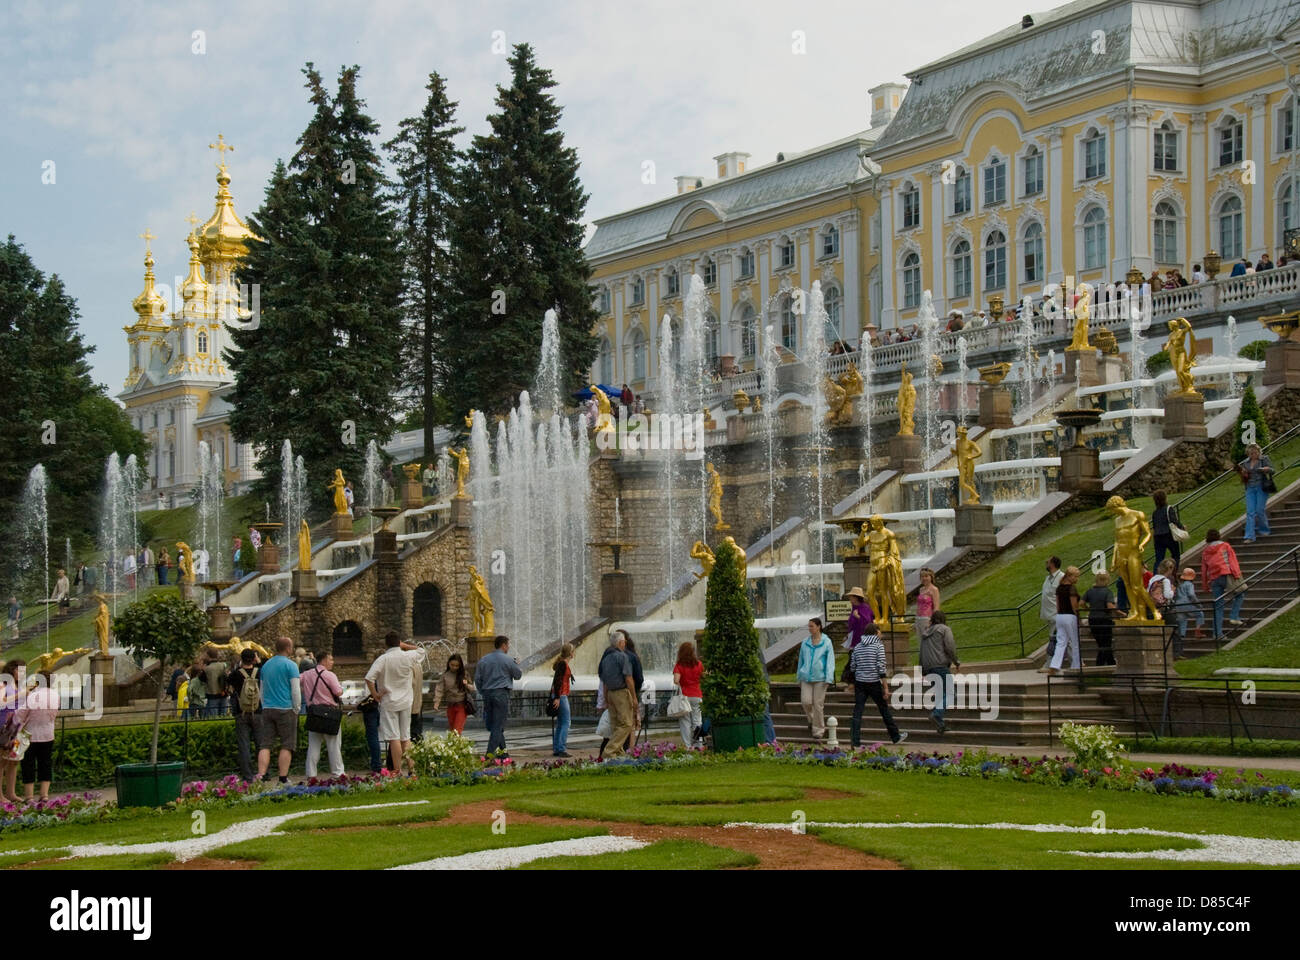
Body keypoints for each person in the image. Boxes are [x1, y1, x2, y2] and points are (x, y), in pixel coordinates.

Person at [364, 632, 425, 775]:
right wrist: (406, 646)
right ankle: (413, 770)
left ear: (386, 644)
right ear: (399, 642)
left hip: (389, 701)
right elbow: (421, 651)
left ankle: (397, 771)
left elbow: (369, 678)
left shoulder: (383, 659)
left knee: (394, 738)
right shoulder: (407, 656)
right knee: (406, 737)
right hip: (406, 700)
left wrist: (375, 695)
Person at [848, 626, 906, 746]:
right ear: (875, 632)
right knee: (884, 709)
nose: (881, 634)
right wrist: (885, 687)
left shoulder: (858, 647)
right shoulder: (878, 646)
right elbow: (881, 667)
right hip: (874, 682)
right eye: (880, 631)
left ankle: (855, 740)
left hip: (860, 682)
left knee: (858, 711)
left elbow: (853, 666)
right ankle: (895, 736)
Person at [256, 636, 301, 784]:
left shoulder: (266, 666)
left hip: (268, 708)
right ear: (288, 648)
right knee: (287, 744)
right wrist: (297, 708)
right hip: (285, 708)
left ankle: (261, 775)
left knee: (265, 744)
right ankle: (282, 777)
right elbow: (295, 690)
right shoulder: (291, 665)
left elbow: (261, 690)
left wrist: (264, 705)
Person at [473, 635, 521, 757]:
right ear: (504, 645)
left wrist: (483, 692)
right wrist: (517, 664)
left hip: (487, 693)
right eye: (508, 645)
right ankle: (489, 754)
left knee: (493, 724)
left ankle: (503, 753)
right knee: (497, 725)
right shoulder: (508, 660)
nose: (509, 647)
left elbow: (477, 679)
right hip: (501, 693)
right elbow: (518, 675)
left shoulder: (483, 660)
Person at [16, 668, 59, 801]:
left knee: (28, 765)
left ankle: (29, 797)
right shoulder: (55, 695)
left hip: (30, 735)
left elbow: (20, 714)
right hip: (48, 734)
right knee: (45, 763)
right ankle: (44, 795)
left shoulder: (33, 695)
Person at [302, 652, 345, 778]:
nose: (332, 662)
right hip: (329, 713)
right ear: (324, 660)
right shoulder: (330, 675)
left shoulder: (307, 674)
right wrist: (342, 690)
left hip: (314, 713)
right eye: (331, 659)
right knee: (334, 745)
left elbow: (297, 681)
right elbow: (338, 692)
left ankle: (311, 774)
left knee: (313, 746)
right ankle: (338, 773)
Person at [598, 630, 637, 758]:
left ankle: (619, 753)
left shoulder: (606, 658)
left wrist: (606, 697)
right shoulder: (622, 656)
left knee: (616, 725)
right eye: (624, 641)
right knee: (626, 723)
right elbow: (628, 678)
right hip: (621, 693)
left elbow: (603, 680)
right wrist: (634, 697)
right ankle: (609, 751)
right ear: (621, 642)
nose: (625, 644)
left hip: (610, 693)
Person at [919, 610, 959, 734]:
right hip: (941, 666)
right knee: (951, 694)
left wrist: (923, 670)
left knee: (940, 695)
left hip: (929, 668)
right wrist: (956, 661)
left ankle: (940, 725)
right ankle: (937, 714)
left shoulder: (925, 633)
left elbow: (921, 652)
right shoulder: (944, 629)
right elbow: (950, 647)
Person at [226, 649, 264, 780]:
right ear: (254, 658)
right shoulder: (259, 672)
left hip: (241, 712)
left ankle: (248, 774)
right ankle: (263, 773)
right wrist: (258, 662)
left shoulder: (236, 674)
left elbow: (227, 681)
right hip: (257, 711)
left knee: (244, 744)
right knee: (261, 743)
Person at [1202, 529, 1246, 641]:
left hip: (1214, 578)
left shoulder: (1206, 551)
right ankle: (1234, 616)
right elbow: (1233, 561)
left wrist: (1205, 584)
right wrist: (1236, 574)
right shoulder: (1225, 546)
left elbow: (1204, 569)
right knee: (1240, 593)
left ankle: (1217, 633)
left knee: (1218, 606)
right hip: (1226, 574)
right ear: (1218, 536)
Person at [796, 618, 835, 740]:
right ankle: (813, 721)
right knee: (806, 702)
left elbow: (830, 662)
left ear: (818, 627)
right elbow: (801, 661)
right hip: (806, 677)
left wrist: (829, 678)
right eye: (809, 626)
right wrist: (799, 677)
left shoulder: (827, 642)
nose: (809, 628)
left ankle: (818, 731)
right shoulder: (805, 642)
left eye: (811, 626)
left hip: (821, 678)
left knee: (818, 704)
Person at [1046, 566, 1082, 675]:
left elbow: (1057, 605)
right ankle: (1076, 666)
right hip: (1070, 616)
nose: (1077, 579)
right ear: (1070, 576)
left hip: (1060, 616)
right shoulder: (1071, 588)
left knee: (1061, 643)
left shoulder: (1059, 588)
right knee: (1075, 642)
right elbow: (1074, 605)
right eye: (1076, 576)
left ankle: (1054, 665)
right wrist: (1078, 617)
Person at [1237, 443, 1274, 542]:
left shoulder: (1264, 459)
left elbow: (1272, 470)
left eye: (1255, 452)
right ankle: (1249, 536)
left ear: (1259, 452)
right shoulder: (1246, 463)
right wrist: (1243, 473)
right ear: (1248, 453)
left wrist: (1266, 469)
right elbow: (1245, 477)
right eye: (1251, 453)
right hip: (1250, 488)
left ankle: (1264, 530)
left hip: (1261, 487)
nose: (1253, 454)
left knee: (1259, 510)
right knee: (1250, 512)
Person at [0, 658, 25, 803]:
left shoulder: (19, 686)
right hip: (5, 728)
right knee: (2, 761)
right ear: (11, 670)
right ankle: (1, 795)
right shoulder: (3, 685)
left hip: (17, 728)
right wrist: (21, 695)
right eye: (20, 670)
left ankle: (11, 793)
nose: (22, 674)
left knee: (13, 760)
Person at [672, 641, 704, 748]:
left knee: (685, 722)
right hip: (697, 695)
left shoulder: (679, 665)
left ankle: (688, 746)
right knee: (697, 720)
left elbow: (676, 680)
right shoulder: (699, 664)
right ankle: (698, 745)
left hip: (684, 697)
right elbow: (703, 676)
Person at [432, 653, 474, 735]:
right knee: (452, 730)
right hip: (450, 706)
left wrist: (466, 684)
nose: (454, 667)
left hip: (461, 705)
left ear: (460, 665)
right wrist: (436, 702)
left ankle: (457, 746)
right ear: (448, 664)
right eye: (452, 665)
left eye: (457, 666)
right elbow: (439, 689)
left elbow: (472, 688)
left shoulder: (464, 674)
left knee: (457, 730)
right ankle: (457, 747)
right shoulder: (445, 675)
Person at [1082, 571, 1117, 667]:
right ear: (1107, 580)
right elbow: (1109, 605)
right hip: (1105, 619)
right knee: (1106, 643)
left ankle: (1110, 663)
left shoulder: (1090, 591)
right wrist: (1120, 612)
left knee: (1101, 643)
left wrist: (1088, 609)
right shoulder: (1107, 592)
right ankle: (1100, 664)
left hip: (1093, 619)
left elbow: (1081, 603)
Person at [549, 643, 574, 758]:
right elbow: (558, 681)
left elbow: (557, 681)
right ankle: (561, 748)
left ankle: (557, 748)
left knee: (560, 723)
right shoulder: (563, 664)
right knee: (566, 722)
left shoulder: (561, 663)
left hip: (560, 695)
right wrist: (558, 698)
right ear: (571, 653)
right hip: (561, 696)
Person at [1173, 567, 1206, 652]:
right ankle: (1197, 631)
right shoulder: (1189, 584)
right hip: (1186, 603)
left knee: (1183, 621)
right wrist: (1198, 604)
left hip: (1178, 605)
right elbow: (1191, 595)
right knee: (1200, 614)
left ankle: (1181, 639)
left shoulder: (1180, 585)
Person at [1151, 490, 1183, 568]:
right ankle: (1172, 573)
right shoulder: (1169, 508)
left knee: (1159, 559)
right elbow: (1174, 521)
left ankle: (1157, 577)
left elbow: (1154, 526)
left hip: (1158, 536)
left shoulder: (1155, 512)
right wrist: (1182, 528)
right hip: (1169, 535)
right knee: (1176, 556)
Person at [1040, 556, 1064, 659]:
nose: (1046, 563)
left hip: (1057, 614)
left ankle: (1050, 662)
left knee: (1054, 638)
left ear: (1053, 564)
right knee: (1056, 638)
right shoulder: (1048, 578)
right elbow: (1045, 595)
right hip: (1048, 614)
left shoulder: (1061, 577)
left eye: (1048, 562)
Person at [915, 567, 940, 633]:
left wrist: (932, 621)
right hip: (918, 618)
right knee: (920, 640)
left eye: (926, 576)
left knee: (928, 639)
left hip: (928, 619)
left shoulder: (934, 589)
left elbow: (936, 607)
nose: (924, 578)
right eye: (922, 576)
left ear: (931, 577)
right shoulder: (921, 589)